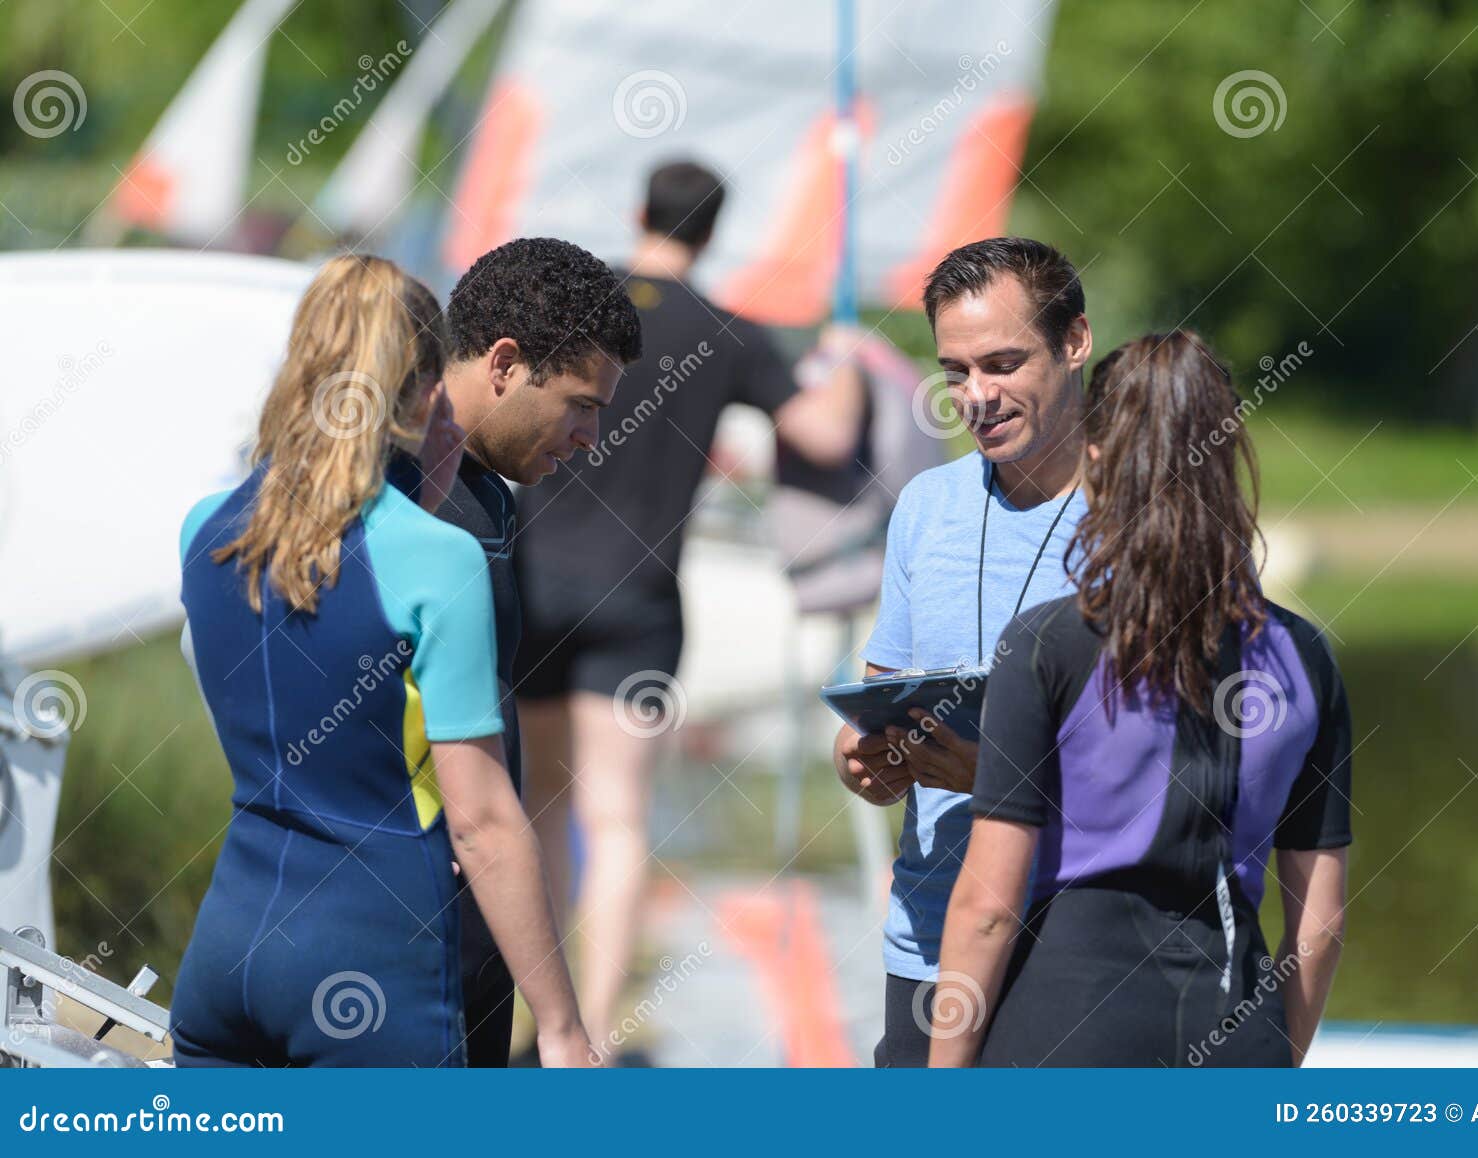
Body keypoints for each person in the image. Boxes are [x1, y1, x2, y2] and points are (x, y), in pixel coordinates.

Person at [169, 254, 593, 1067]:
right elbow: (482, 824)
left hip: (226, 952)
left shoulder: (205, 532)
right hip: (372, 960)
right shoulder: (438, 559)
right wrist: (565, 1031)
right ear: (426, 389)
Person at [513, 159, 867, 1048]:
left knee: (540, 811)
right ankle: (588, 1035)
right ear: (712, 233)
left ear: (639, 210)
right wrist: (851, 357)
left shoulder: (570, 314)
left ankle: (535, 1023)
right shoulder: (729, 334)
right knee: (619, 819)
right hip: (640, 599)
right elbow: (825, 432)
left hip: (532, 584)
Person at [930, 331, 1352, 1068]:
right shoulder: (1304, 658)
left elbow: (989, 910)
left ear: (1096, 457)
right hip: (1236, 1031)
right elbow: (1318, 927)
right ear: (1228, 460)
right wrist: (1273, 1059)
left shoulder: (1046, 645)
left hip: (1068, 1034)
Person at [832, 237, 1093, 1067]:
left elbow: (1186, 775)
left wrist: (997, 778)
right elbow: (886, 692)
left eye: (1004, 363)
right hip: (926, 943)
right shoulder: (925, 506)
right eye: (954, 371)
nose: (976, 397)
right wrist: (863, 758)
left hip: (1078, 945)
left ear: (1075, 342)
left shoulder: (1148, 514)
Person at [423, 236, 643, 1067]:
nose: (590, 436)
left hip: (450, 941)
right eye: (581, 404)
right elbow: (474, 813)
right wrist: (561, 1022)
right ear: (506, 363)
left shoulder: (484, 497)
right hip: (413, 950)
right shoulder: (422, 509)